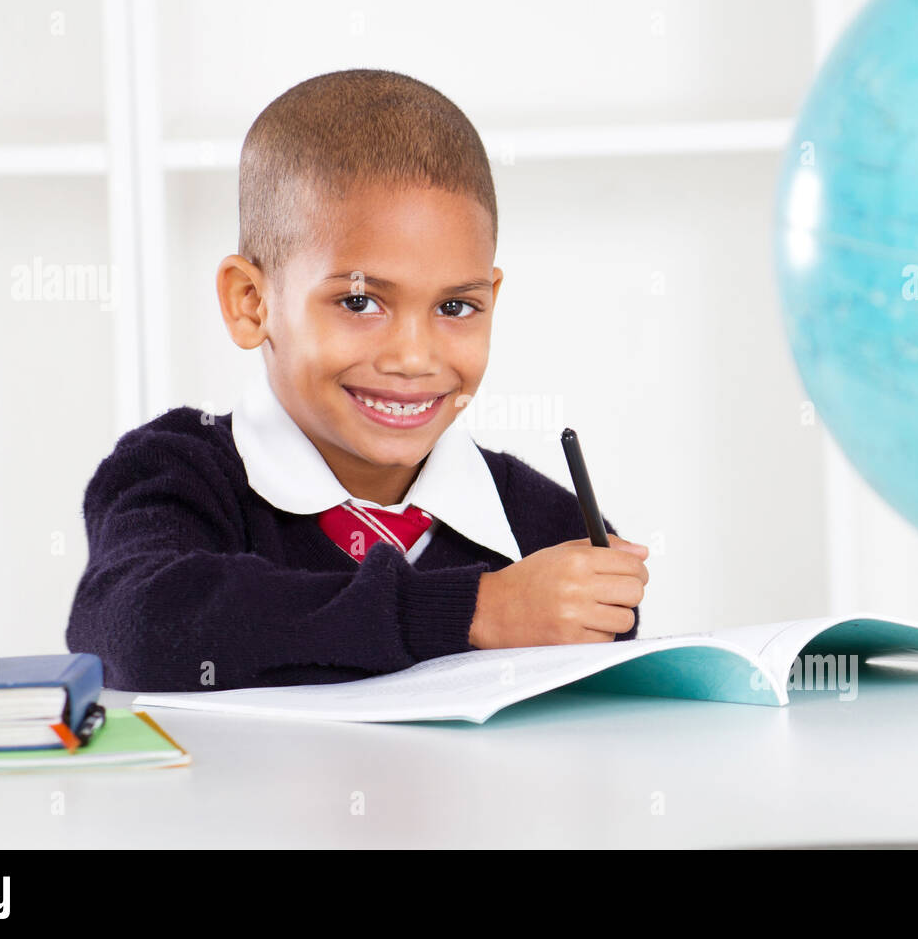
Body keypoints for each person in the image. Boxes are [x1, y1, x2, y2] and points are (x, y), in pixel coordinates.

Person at [67, 69, 648, 692]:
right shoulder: (177, 474)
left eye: (455, 308)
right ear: (250, 303)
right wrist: (475, 610)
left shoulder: (544, 530)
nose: (413, 357)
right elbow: (139, 628)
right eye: (359, 302)